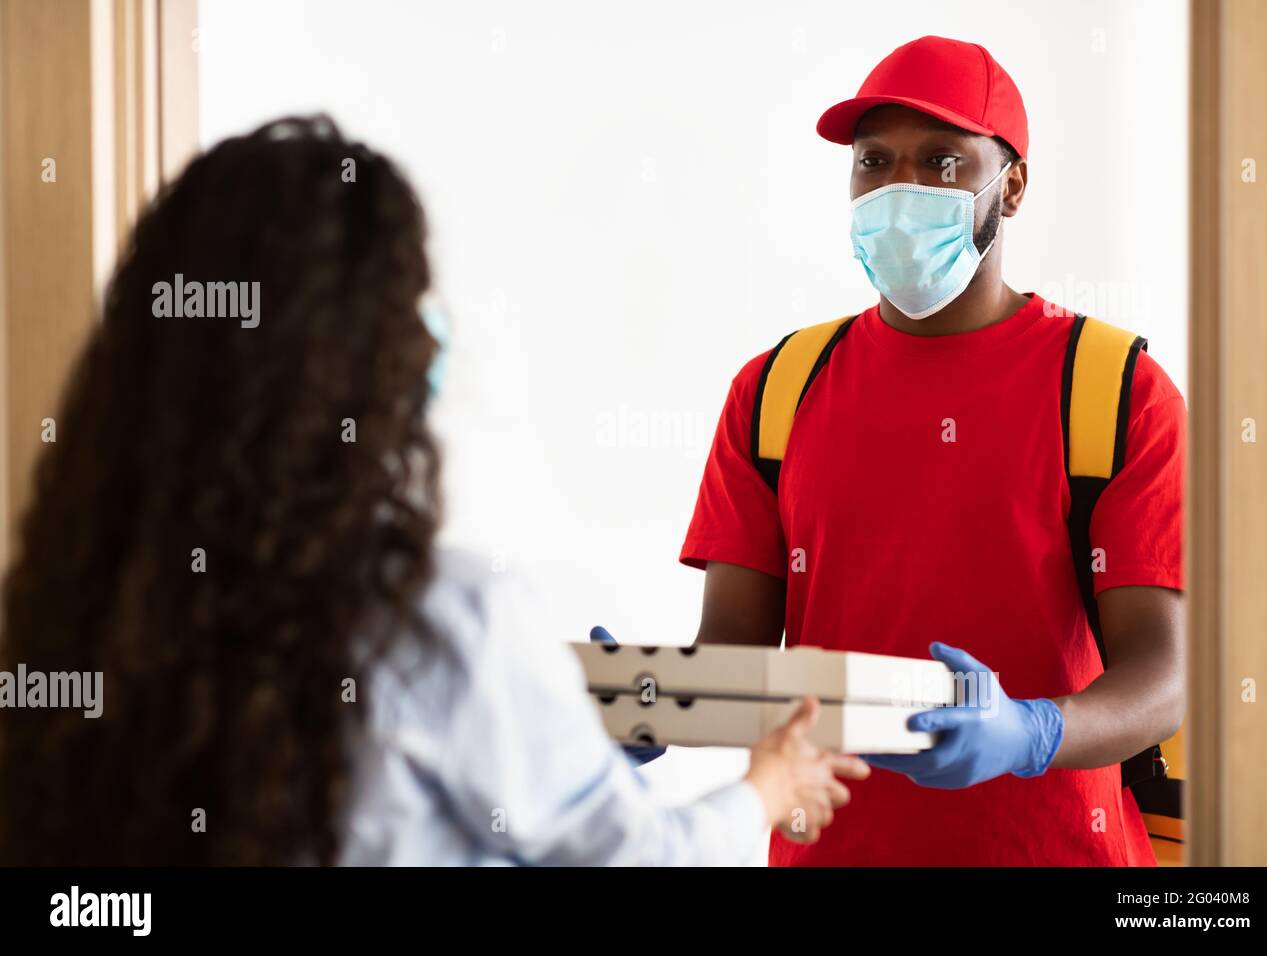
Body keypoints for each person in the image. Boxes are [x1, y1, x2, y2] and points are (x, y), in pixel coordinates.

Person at [0, 115, 866, 866]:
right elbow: (630, 857)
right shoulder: (443, 618)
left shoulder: (64, 607)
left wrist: (550, 735)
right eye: (413, 297)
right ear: (363, 357)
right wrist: (765, 788)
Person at [679, 36, 1186, 866]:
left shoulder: (1113, 389)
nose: (900, 188)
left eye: (943, 162)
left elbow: (1164, 680)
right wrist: (637, 705)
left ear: (1009, 187)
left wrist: (1032, 731)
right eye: (873, 161)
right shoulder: (776, 389)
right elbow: (733, 652)